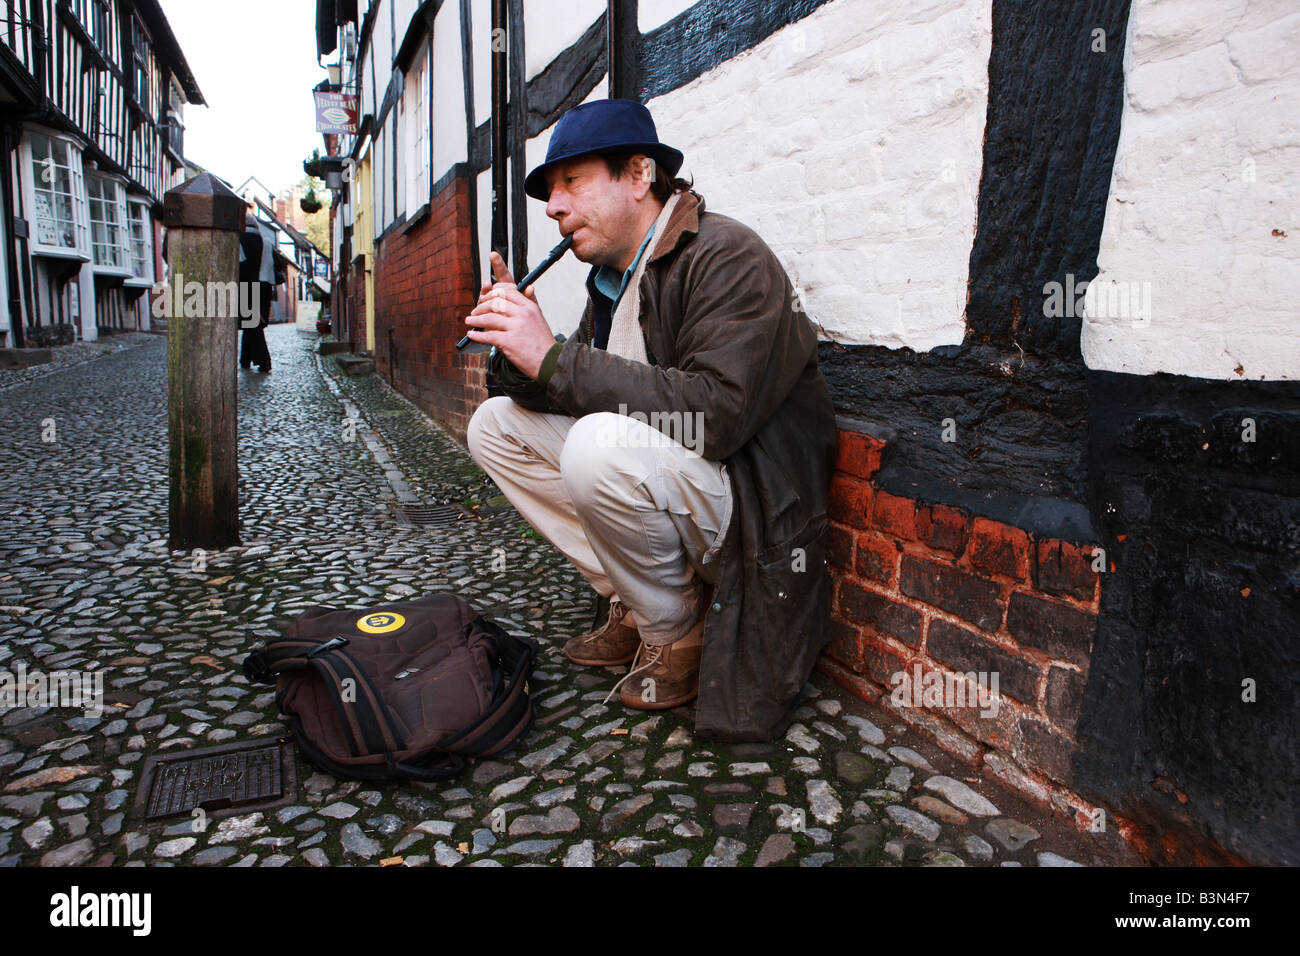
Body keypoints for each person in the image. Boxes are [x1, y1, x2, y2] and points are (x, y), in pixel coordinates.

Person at [463, 99, 838, 741]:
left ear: (639, 175)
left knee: (596, 442)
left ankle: (677, 633)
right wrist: (516, 351)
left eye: (571, 182)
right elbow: (570, 389)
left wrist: (552, 355)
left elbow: (713, 416)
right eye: (549, 191)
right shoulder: (611, 280)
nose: (552, 206)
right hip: (681, 483)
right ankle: (635, 604)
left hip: (751, 505)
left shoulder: (726, 255)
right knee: (495, 426)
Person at [238, 213, 273, 373]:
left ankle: (263, 359)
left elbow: (241, 266)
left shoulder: (238, 240)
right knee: (252, 324)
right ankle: (245, 358)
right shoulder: (266, 242)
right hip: (265, 286)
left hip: (246, 283)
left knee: (252, 324)